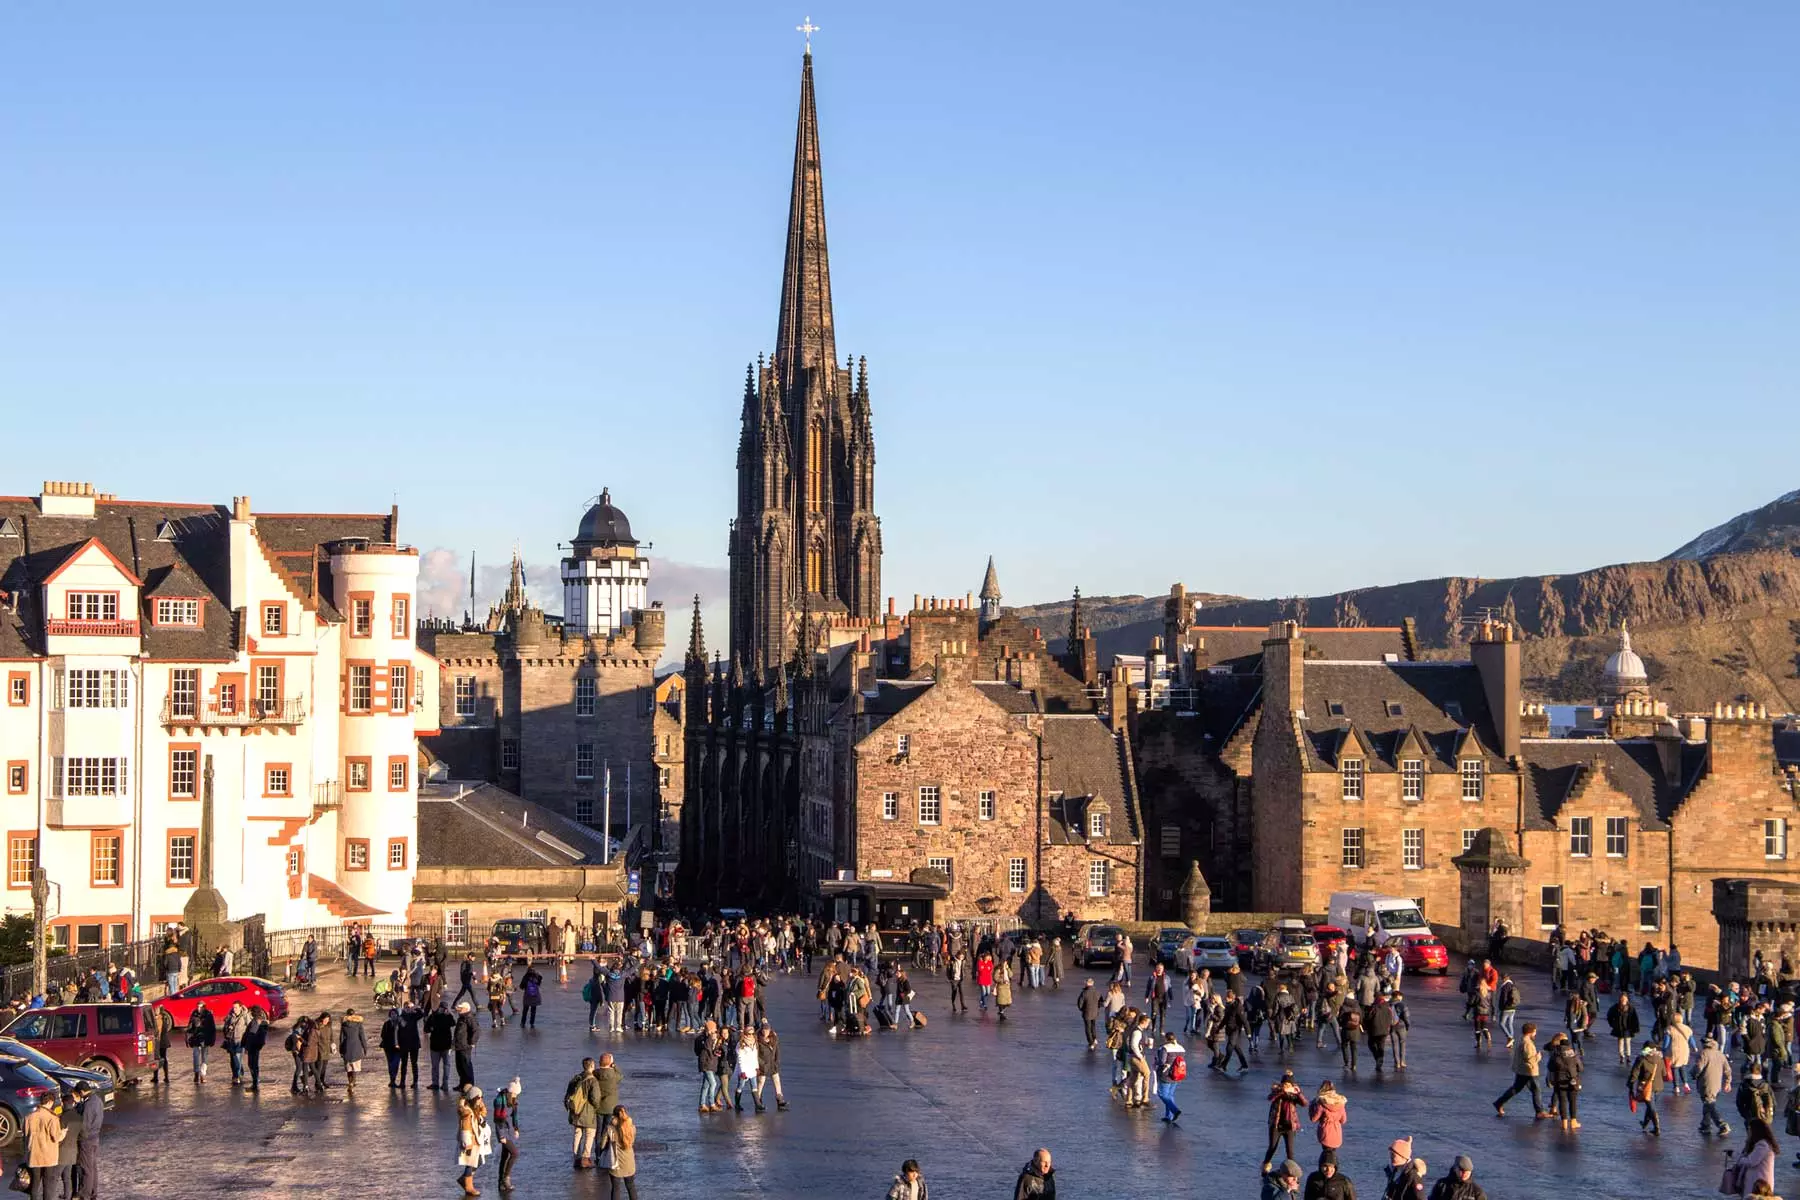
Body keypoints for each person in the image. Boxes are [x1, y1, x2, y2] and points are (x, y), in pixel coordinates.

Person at [1492, 1021, 1548, 1118]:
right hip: (1529, 1071)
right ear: (1531, 1032)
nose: (1536, 1034)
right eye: (1535, 1032)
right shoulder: (1528, 1044)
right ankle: (1539, 1111)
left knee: (1516, 1088)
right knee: (1536, 1090)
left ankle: (1499, 1102)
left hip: (1521, 1069)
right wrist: (1538, 1057)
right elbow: (1530, 1059)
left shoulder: (1521, 1039)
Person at [24, 1095, 66, 1200]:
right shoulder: (52, 1118)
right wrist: (64, 1132)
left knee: (34, 1184)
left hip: (34, 1156)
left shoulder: (29, 1117)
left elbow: (25, 1135)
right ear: (50, 1102)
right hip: (48, 1157)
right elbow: (56, 1137)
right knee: (48, 1185)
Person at [1265, 1070, 1308, 1170]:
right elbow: (1270, 1098)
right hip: (1276, 1125)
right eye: (1285, 1084)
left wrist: (1299, 1093)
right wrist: (1280, 1092)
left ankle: (1292, 1171)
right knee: (1272, 1147)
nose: (1286, 1086)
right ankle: (1265, 1165)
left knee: (1290, 1150)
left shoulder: (1294, 1095)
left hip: (1289, 1126)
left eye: (1288, 1084)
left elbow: (1305, 1103)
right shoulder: (1277, 1092)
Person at [565, 1058, 604, 1168]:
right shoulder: (593, 1080)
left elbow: (568, 1094)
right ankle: (585, 1158)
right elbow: (595, 1099)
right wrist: (596, 1107)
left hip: (575, 1111)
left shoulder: (576, 1078)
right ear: (592, 1065)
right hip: (588, 1111)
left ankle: (576, 1157)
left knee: (577, 1134)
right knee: (589, 1134)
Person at [1697, 1034, 1735, 1136]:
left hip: (1706, 1083)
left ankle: (1722, 1125)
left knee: (1709, 1105)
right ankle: (1705, 1124)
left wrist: (1693, 1074)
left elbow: (1698, 1068)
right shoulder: (1720, 1054)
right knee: (1708, 1104)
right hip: (1716, 1085)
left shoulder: (1704, 1053)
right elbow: (1727, 1070)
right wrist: (1728, 1082)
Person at [598, 1104, 638, 1200]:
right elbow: (632, 1141)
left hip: (615, 1162)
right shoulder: (631, 1128)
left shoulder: (610, 1129)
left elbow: (602, 1145)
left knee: (615, 1189)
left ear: (614, 1115)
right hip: (629, 1162)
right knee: (631, 1187)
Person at [1545, 1031, 1582, 1130]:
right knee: (1572, 1101)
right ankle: (1573, 1122)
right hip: (1572, 1080)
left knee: (1562, 1101)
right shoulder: (1573, 1053)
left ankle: (1564, 1123)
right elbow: (1580, 1068)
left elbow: (1550, 1067)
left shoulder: (1555, 1054)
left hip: (1559, 1080)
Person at [73, 1081, 103, 1200]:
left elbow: (84, 1126)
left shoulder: (89, 1104)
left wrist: (79, 1138)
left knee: (86, 1168)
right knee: (93, 1167)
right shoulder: (97, 1100)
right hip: (95, 1137)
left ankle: (85, 1194)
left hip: (87, 1140)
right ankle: (93, 1192)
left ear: (81, 1092)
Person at [1738, 1119, 1779, 1196]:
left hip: (1759, 1184)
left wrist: (1740, 1160)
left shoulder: (1762, 1145)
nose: (1748, 1132)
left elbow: (1751, 1162)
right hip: (1756, 1181)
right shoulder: (1759, 1144)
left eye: (1750, 1129)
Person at [456, 1090, 485, 1197]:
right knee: (471, 1163)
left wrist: (481, 1103)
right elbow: (465, 1128)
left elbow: (484, 1113)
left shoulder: (474, 1109)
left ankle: (464, 1179)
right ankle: (469, 1187)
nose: (481, 1100)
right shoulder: (467, 1112)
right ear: (473, 1098)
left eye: (482, 1098)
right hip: (470, 1141)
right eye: (479, 1098)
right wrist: (466, 1142)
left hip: (475, 1140)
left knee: (478, 1161)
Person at [1155, 1032, 1186, 1123]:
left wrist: (1156, 1061)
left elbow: (1162, 1061)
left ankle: (1174, 1110)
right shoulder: (1181, 1048)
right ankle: (1169, 1116)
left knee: (1162, 1094)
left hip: (1166, 1073)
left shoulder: (1165, 1048)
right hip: (1177, 1073)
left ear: (1166, 1039)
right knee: (1170, 1095)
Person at [757, 1021, 789, 1110]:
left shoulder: (774, 1038)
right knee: (761, 1083)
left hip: (773, 1064)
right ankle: (758, 1100)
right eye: (764, 1030)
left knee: (777, 1081)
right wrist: (762, 1064)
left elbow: (777, 1051)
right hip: (763, 1065)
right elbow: (756, 1055)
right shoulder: (757, 1040)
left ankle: (780, 1099)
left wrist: (777, 1061)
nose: (765, 1032)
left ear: (770, 1030)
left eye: (767, 1030)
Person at [1310, 1080, 1347, 1154]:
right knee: (1333, 1154)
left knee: (1325, 1154)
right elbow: (1343, 1120)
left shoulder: (1321, 1103)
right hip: (1337, 1132)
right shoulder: (1339, 1102)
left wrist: (1311, 1107)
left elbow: (1313, 1119)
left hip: (1325, 1132)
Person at [339, 1007, 367, 1095]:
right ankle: (352, 1083)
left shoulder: (343, 1025)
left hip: (347, 1047)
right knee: (355, 1066)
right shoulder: (358, 1024)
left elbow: (341, 1038)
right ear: (354, 1014)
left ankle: (350, 1082)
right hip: (356, 1047)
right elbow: (362, 1037)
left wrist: (341, 1049)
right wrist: (365, 1048)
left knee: (348, 1067)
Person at [185, 1004, 217, 1082]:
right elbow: (189, 1026)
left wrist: (213, 1039)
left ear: (204, 1007)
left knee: (204, 1057)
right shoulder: (194, 1014)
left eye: (201, 1007)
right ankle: (196, 1073)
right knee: (196, 1056)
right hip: (195, 1039)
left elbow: (213, 1028)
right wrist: (187, 1037)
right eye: (198, 1007)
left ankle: (203, 1074)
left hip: (205, 1039)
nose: (199, 1008)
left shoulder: (208, 1015)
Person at [454, 1000, 482, 1089]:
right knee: (460, 1067)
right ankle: (462, 1084)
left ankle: (469, 1085)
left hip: (465, 1046)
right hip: (458, 1046)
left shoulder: (469, 1018)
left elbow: (476, 1030)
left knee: (466, 1066)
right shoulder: (462, 1017)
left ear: (466, 1009)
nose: (459, 1010)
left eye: (461, 1008)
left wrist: (472, 1042)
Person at [1078, 979, 1103, 1050]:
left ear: (1087, 984)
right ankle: (1095, 1038)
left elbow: (1080, 1004)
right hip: (1095, 1013)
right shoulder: (1097, 992)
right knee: (1093, 1026)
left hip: (1087, 1013)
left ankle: (1091, 1042)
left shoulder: (1084, 992)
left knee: (1088, 1028)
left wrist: (1082, 1009)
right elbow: (1101, 1002)